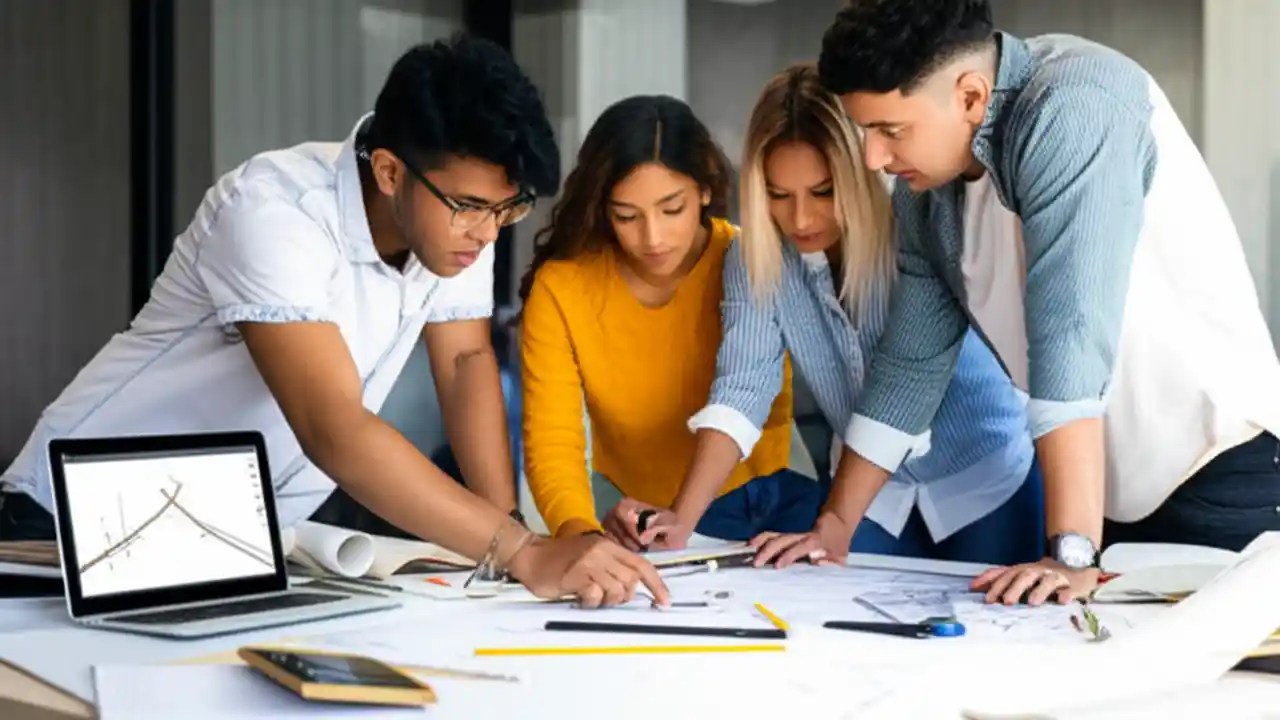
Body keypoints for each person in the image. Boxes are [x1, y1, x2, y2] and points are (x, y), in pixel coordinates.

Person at [0, 35, 667, 608]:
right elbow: (334, 428)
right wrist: (521, 551)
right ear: (388, 171)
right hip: (61, 532)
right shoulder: (274, 211)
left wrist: (504, 542)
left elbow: (465, 365)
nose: (487, 233)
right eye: (471, 206)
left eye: (507, 209)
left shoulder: (455, 225)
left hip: (228, 546)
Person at [755, 0, 1280, 606]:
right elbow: (911, 364)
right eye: (865, 130)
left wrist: (1070, 554)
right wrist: (835, 528)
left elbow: (1071, 332)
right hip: (1111, 497)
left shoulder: (1076, 107)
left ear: (972, 98)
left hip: (1220, 472)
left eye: (890, 131)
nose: (873, 159)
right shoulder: (928, 191)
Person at [639, 64, 1043, 567]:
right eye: (779, 196)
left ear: (859, 171)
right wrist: (684, 518)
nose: (801, 219)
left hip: (985, 479)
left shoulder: (916, 223)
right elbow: (741, 390)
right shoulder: (754, 259)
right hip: (868, 498)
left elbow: (911, 381)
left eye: (823, 191)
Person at [519, 95, 801, 548]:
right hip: (643, 520)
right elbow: (554, 441)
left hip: (774, 502)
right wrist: (579, 537)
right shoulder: (562, 289)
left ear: (706, 189)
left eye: (673, 209)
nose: (652, 238)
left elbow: (746, 391)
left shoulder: (751, 259)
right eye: (626, 216)